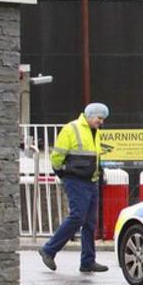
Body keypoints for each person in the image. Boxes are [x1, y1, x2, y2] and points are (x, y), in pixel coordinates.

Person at [39, 102, 110, 273]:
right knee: (77, 217)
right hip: (75, 180)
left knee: (90, 222)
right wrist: (63, 173)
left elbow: (94, 157)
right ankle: (49, 250)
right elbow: (57, 156)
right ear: (90, 115)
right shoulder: (72, 129)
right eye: (99, 118)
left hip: (91, 181)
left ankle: (88, 261)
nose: (101, 122)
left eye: (103, 119)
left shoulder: (94, 132)